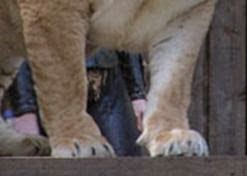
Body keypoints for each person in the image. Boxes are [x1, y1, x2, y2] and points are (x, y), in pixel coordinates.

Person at [8, 50, 147, 156]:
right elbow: (20, 35)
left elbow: (125, 29)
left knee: (125, 162)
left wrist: (137, 94)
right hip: (52, 88)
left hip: (107, 85)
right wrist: (24, 108)